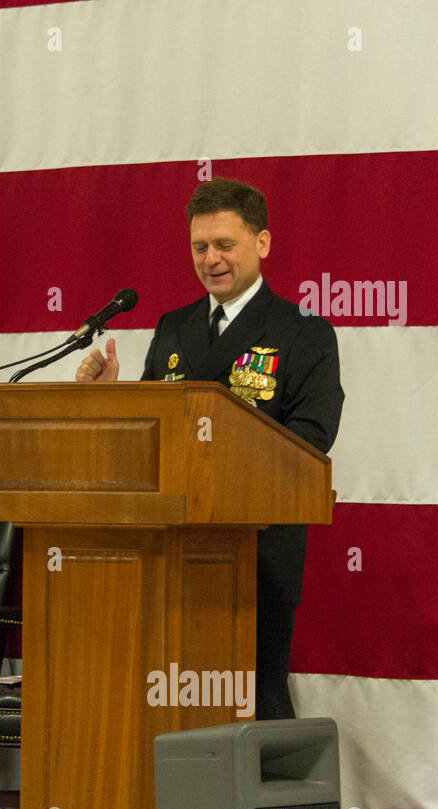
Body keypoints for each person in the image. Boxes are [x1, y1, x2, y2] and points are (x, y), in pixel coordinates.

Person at [76, 177, 343, 720]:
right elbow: (151, 438)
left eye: (225, 244)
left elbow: (311, 441)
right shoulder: (174, 327)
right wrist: (112, 405)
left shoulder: (303, 331)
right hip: (172, 549)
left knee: (254, 703)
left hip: (257, 553)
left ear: (262, 243)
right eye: (200, 246)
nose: (211, 259)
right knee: (178, 707)